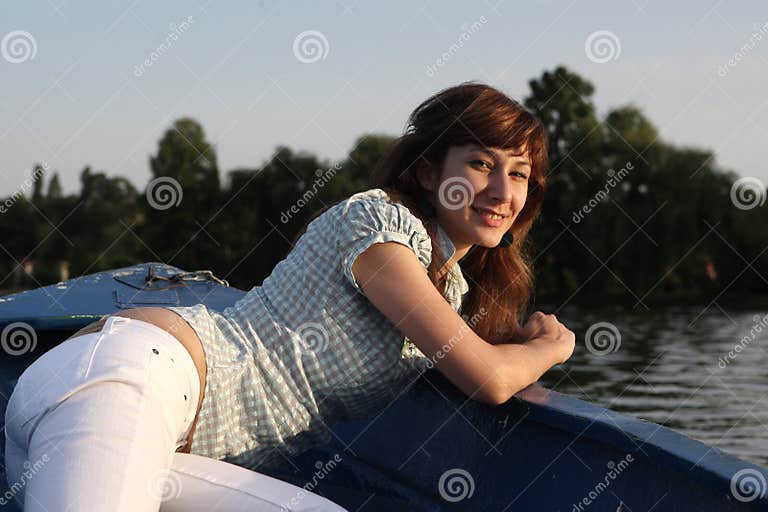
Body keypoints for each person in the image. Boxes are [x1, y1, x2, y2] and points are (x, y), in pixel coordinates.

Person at [3, 81, 575, 511]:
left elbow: (483, 362)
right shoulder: (378, 223)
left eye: (520, 174)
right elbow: (490, 378)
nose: (503, 190)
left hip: (168, 443)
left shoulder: (446, 288)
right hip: (130, 383)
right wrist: (550, 346)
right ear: (428, 173)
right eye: (481, 163)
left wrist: (511, 346)